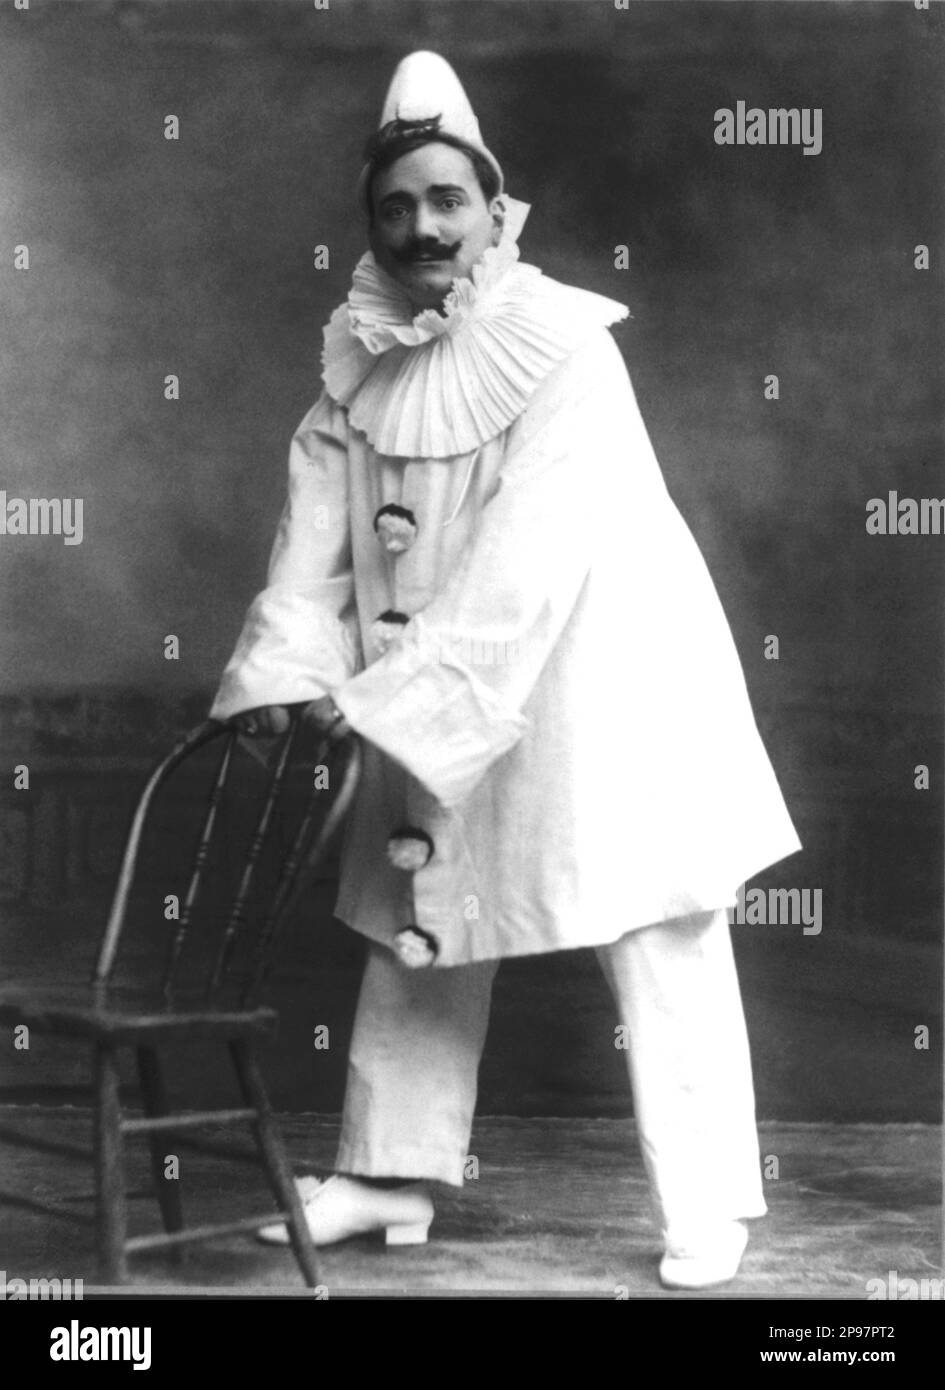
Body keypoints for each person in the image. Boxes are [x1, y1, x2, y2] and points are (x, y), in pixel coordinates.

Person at [210, 51, 802, 1289]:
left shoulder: (567, 349)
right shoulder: (354, 368)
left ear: (494, 209)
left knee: (653, 917)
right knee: (419, 909)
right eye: (395, 207)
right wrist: (291, 677)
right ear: (372, 223)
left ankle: (709, 1200)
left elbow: (529, 563)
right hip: (431, 684)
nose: (423, 227)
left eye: (446, 202)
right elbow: (309, 545)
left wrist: (386, 703)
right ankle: (389, 1171)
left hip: (599, 684)